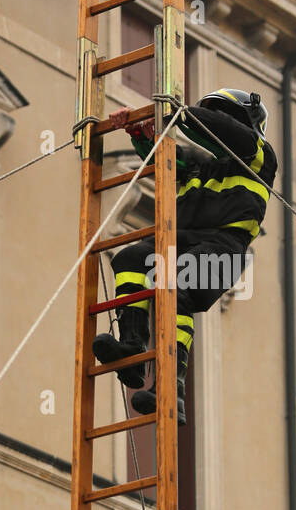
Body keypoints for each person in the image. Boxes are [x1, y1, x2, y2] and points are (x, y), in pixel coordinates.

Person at [92, 89, 277, 425]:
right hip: (180, 242)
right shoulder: (200, 165)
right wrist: (138, 131)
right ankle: (132, 348)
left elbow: (223, 129)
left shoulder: (258, 155)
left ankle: (170, 385)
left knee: (178, 288)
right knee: (132, 257)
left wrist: (180, 113)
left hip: (223, 245)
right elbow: (164, 159)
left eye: (225, 116)